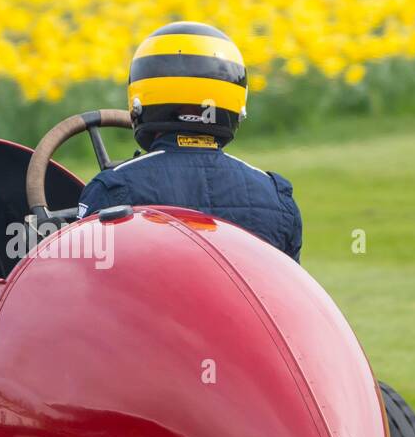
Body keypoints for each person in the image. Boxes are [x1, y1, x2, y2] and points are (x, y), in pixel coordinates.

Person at [77, 21, 302, 261]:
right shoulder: (276, 197)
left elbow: (84, 285)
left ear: (140, 100)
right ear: (235, 102)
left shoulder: (112, 189)